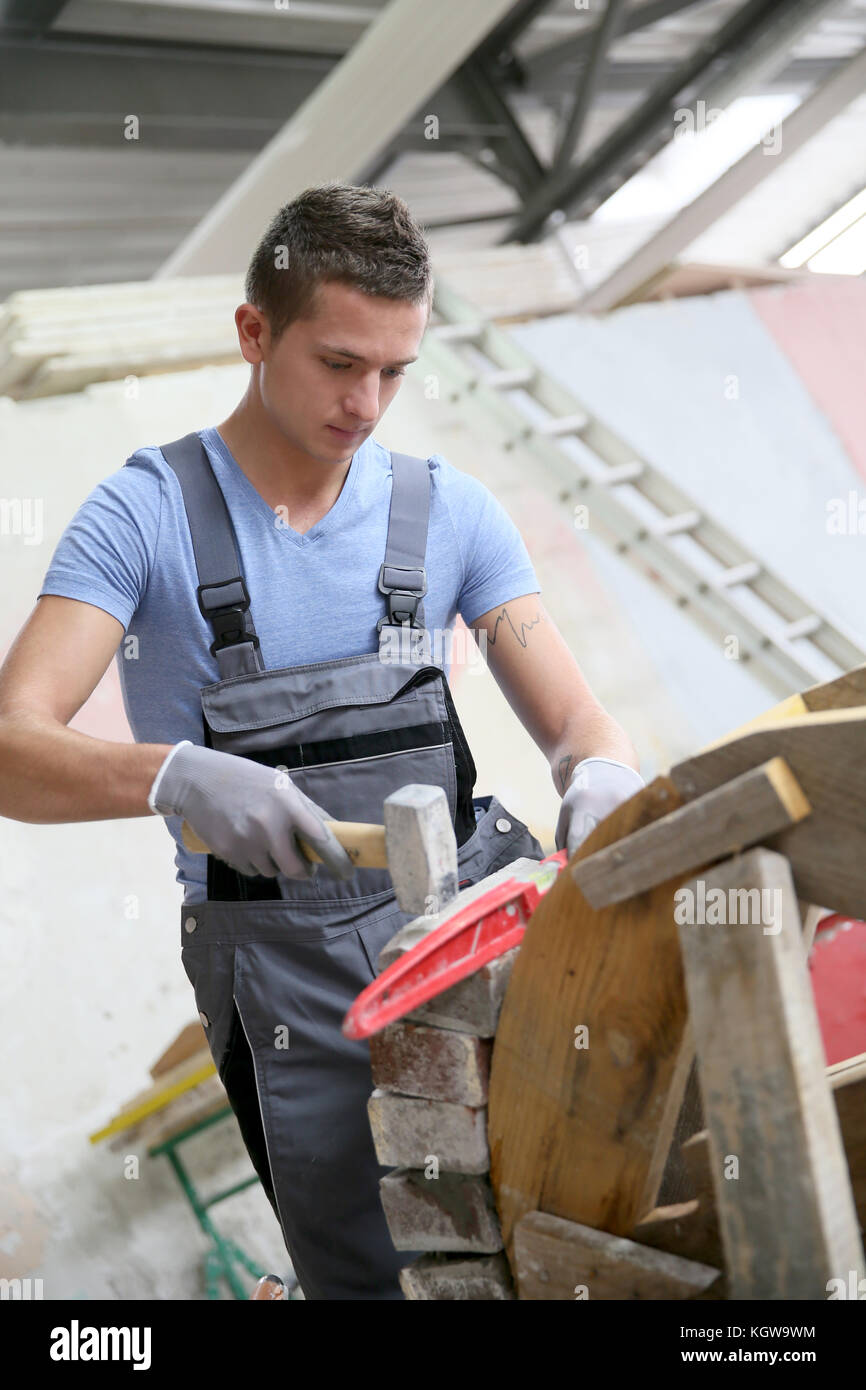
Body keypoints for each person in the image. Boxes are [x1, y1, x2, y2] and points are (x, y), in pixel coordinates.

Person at [0, 183, 643, 1300]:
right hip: (287, 979)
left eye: (395, 369)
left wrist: (597, 773)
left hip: (468, 923)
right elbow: (13, 745)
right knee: (387, 1272)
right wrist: (173, 775)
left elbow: (576, 718)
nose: (368, 401)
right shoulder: (143, 515)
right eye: (339, 363)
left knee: (583, 1214)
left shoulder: (449, 512)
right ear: (254, 332)